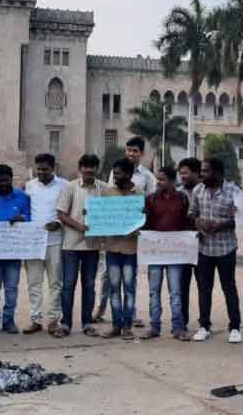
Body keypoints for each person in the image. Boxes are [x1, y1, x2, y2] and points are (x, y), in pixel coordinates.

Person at [100, 136, 155, 327]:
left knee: (130, 284)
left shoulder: (145, 182)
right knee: (112, 282)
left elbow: (149, 206)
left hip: (132, 244)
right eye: (128, 150)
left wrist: (143, 218)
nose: (131, 153)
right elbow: (106, 207)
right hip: (113, 244)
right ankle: (110, 317)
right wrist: (94, 217)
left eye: (135, 151)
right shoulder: (110, 189)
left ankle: (129, 320)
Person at [190, 158, 243, 344]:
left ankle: (235, 327)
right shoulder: (198, 190)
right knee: (204, 289)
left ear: (218, 173)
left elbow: (242, 218)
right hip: (204, 249)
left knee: (229, 288)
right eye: (202, 171)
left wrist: (222, 224)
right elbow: (192, 213)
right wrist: (199, 223)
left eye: (206, 171)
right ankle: (204, 326)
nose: (202, 175)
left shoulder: (234, 192)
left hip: (226, 248)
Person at [56, 154, 108, 338]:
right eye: (85, 166)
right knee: (68, 285)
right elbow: (61, 214)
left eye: (92, 166)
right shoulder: (70, 187)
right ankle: (66, 324)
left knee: (89, 285)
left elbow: (111, 211)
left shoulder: (103, 188)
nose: (89, 170)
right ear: (80, 168)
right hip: (70, 244)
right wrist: (78, 226)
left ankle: (87, 323)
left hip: (92, 246)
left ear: (97, 169)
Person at [141, 166, 192, 341]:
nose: (158, 182)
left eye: (162, 179)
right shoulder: (150, 199)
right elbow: (145, 223)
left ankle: (178, 327)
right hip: (155, 251)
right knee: (154, 291)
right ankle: (154, 326)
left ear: (171, 181)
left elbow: (187, 223)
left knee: (176, 292)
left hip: (175, 252)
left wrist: (192, 237)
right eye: (157, 179)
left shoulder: (182, 199)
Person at [23, 153, 67, 335]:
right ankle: (35, 320)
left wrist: (59, 223)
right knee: (34, 283)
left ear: (53, 168)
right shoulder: (29, 186)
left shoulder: (65, 186)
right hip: (33, 243)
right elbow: (24, 211)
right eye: (38, 169)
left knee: (56, 283)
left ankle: (53, 320)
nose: (41, 172)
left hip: (55, 242)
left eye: (45, 169)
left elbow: (70, 210)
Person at [0, 164, 31, 335]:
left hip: (14, 252)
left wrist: (22, 218)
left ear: (11, 179)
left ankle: (9, 320)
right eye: (0, 181)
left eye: (6, 180)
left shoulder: (22, 197)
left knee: (11, 288)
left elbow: (30, 219)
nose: (4, 184)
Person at [102, 158, 143, 340]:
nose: (115, 176)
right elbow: (102, 218)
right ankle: (115, 326)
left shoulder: (139, 194)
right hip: (112, 248)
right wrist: (93, 218)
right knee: (113, 288)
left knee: (129, 288)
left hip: (130, 249)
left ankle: (127, 326)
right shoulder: (108, 193)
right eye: (114, 172)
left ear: (128, 174)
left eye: (118, 173)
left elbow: (142, 221)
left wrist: (134, 230)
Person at [177, 157, 202, 329]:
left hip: (203, 247)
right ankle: (181, 321)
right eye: (180, 173)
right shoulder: (177, 193)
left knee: (203, 286)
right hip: (182, 248)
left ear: (196, 173)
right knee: (181, 286)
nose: (182, 176)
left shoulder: (204, 192)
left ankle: (204, 322)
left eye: (185, 173)